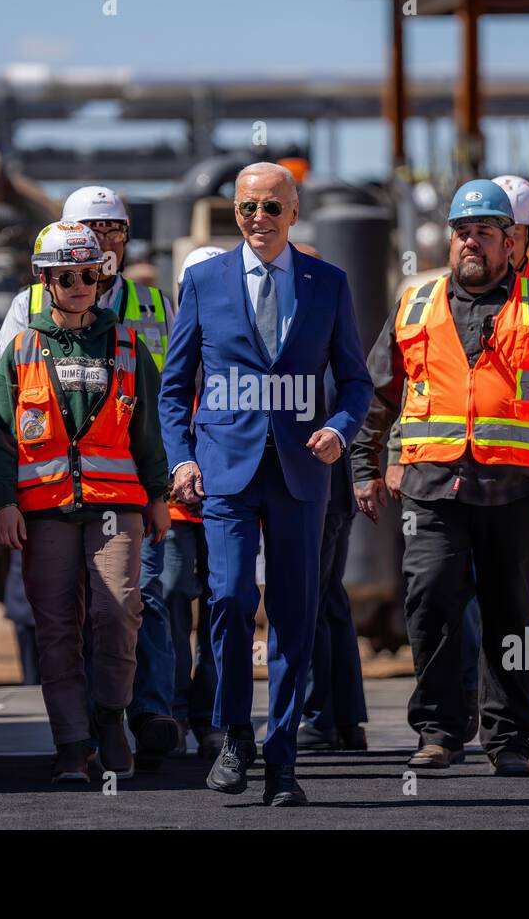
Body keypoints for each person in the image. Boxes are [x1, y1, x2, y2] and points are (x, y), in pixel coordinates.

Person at [351, 179, 529, 776]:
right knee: (431, 602)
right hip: (432, 488)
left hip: (517, 491)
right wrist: (365, 465)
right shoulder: (417, 303)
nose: (471, 243)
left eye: (484, 233)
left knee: (510, 615)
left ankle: (509, 738)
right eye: (463, 232)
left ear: (510, 241)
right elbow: (376, 393)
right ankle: (439, 731)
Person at [159, 162, 372, 806]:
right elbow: (173, 389)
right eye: (248, 208)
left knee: (293, 613)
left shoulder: (328, 285)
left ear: (294, 211)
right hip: (225, 470)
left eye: (271, 208)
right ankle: (234, 734)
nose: (259, 219)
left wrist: (340, 426)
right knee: (224, 600)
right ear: (235, 212)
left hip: (300, 472)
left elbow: (357, 382)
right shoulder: (204, 281)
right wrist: (182, 460)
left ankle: (282, 757)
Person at [0, 186, 181, 772]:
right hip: (45, 508)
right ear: (45, 281)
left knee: (119, 610)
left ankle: (111, 715)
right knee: (54, 625)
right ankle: (73, 744)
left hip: (116, 504)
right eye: (65, 275)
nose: (78, 284)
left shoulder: (127, 342)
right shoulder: (20, 348)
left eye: (87, 275)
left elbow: (148, 427)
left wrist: (157, 496)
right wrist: (2, 502)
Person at [160, 245, 227, 760]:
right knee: (173, 607)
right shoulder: (174, 345)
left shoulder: (239, 340)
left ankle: (209, 717)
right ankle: (177, 713)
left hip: (228, 502)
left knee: (223, 610)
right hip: (181, 507)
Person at [297, 372, 369, 751]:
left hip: (317, 489)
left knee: (309, 601)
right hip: (334, 487)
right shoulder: (329, 330)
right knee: (327, 601)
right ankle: (344, 719)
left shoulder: (301, 332)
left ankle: (318, 717)